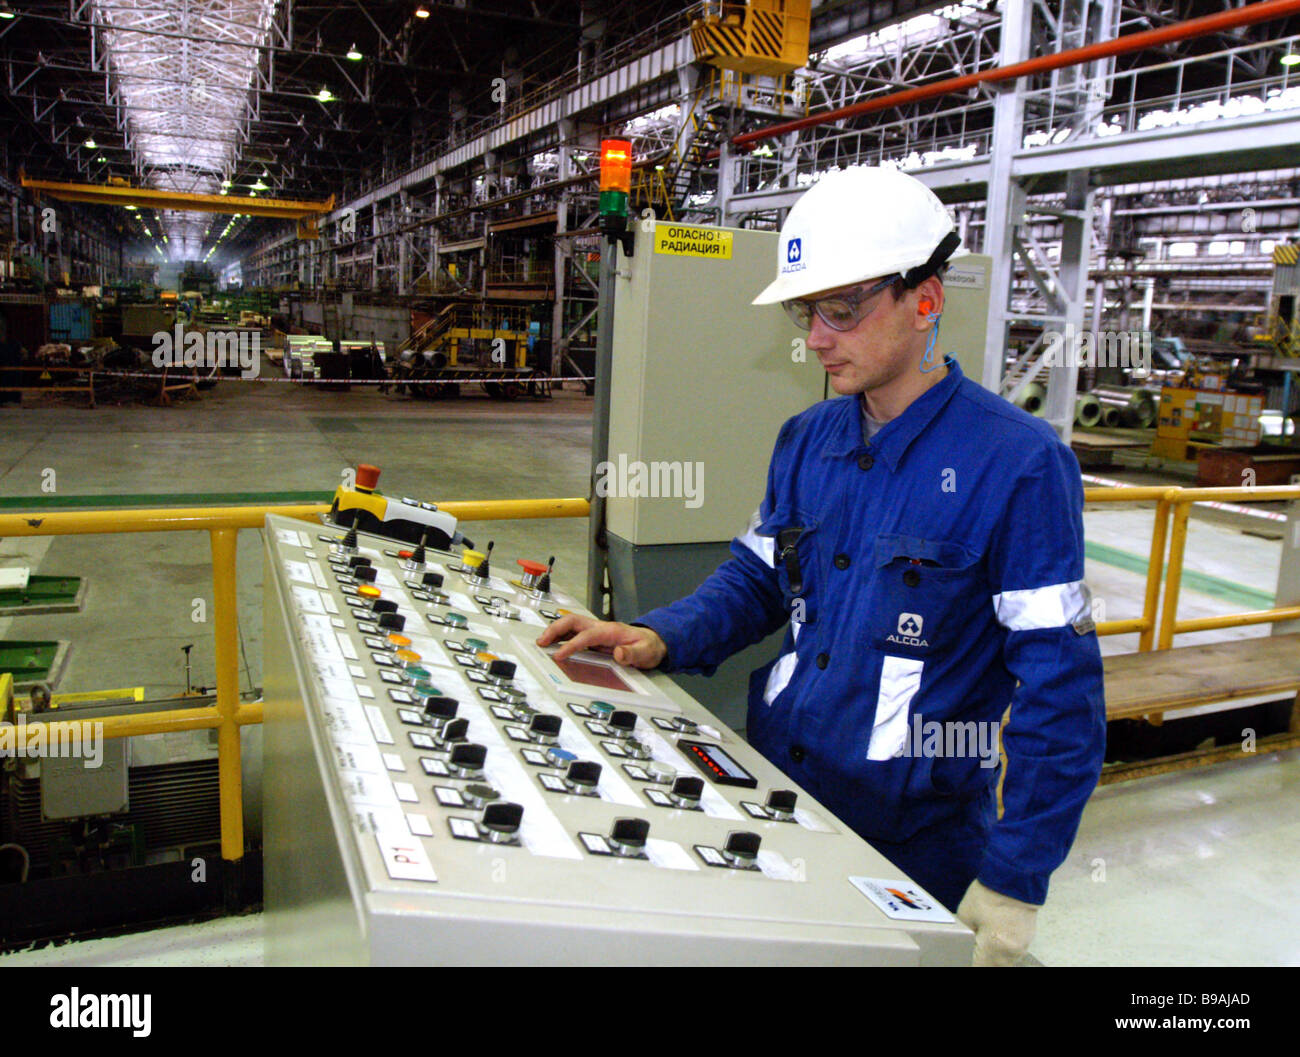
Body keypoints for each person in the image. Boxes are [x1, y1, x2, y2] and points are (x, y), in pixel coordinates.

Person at [538, 166, 1106, 966]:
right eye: (809, 312)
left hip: (917, 846)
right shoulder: (807, 438)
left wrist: (1015, 881)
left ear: (926, 300)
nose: (815, 338)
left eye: (842, 308)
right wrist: (656, 634)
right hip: (778, 797)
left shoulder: (1017, 465)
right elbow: (758, 578)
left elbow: (1063, 692)